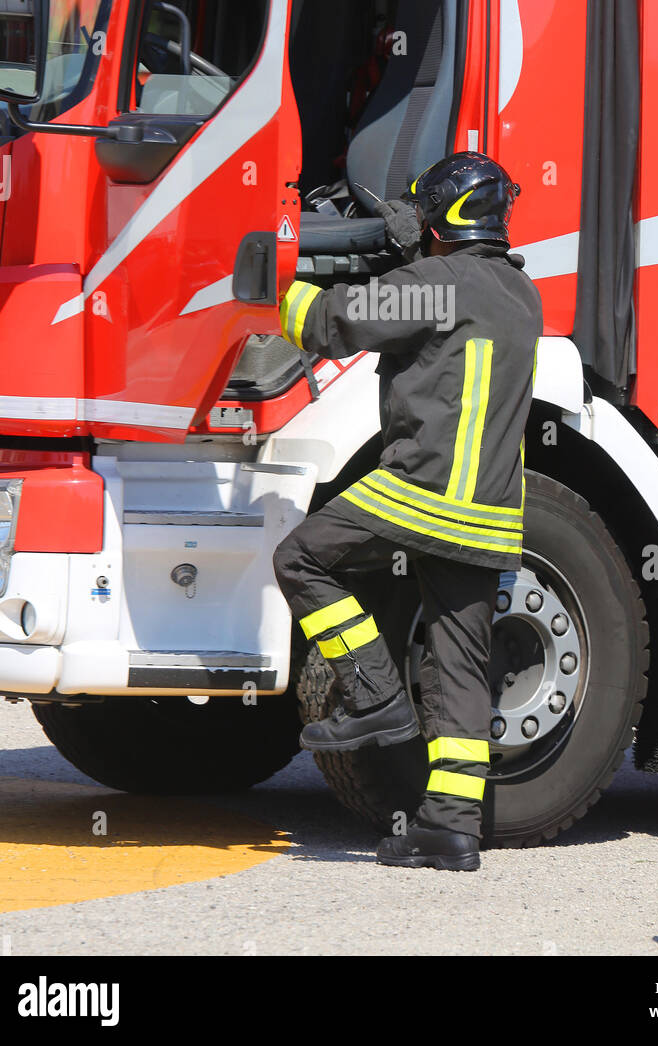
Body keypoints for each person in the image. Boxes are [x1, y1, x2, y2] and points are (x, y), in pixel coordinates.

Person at [272, 152, 543, 871]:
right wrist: (411, 255)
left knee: (300, 556)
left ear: (439, 219)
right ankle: (449, 829)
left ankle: (375, 696)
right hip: (491, 513)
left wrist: (275, 276)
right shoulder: (521, 293)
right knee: (460, 670)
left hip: (422, 493)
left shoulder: (435, 284)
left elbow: (328, 324)